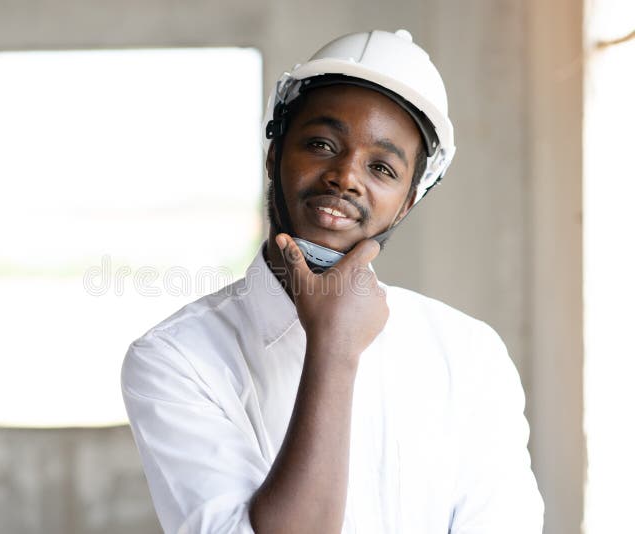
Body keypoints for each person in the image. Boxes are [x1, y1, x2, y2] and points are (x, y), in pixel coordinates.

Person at [121, 30, 544, 534]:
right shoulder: (177, 358)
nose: (345, 176)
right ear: (273, 154)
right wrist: (333, 349)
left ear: (407, 202)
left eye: (382, 167)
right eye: (321, 144)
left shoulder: (469, 353)